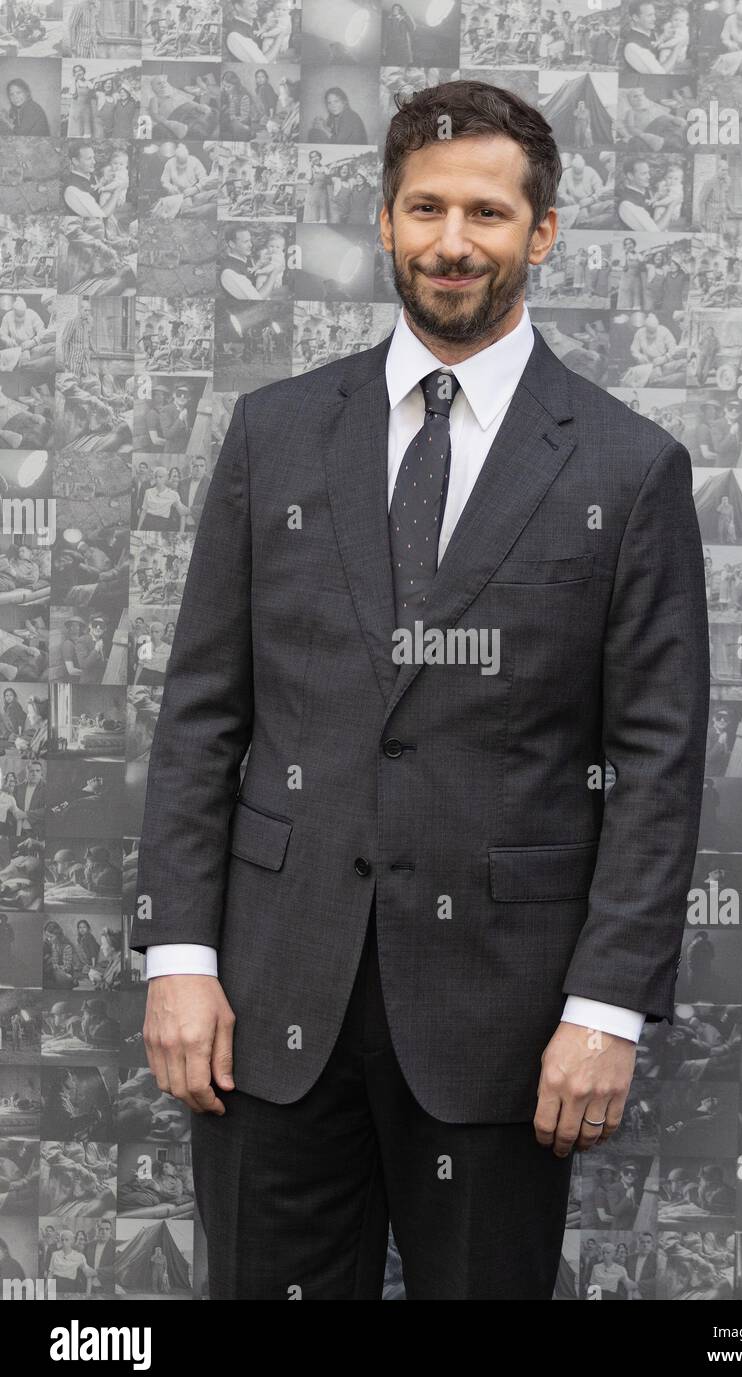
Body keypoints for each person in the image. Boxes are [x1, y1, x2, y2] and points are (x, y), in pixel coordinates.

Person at [133, 78, 710, 1301]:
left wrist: (605, 1010)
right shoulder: (275, 435)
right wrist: (176, 955)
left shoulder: (628, 466)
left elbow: (655, 767)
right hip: (266, 1005)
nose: (455, 243)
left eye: (488, 214)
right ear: (387, 222)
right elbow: (202, 715)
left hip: (504, 1025)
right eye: (426, 209)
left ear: (540, 232)